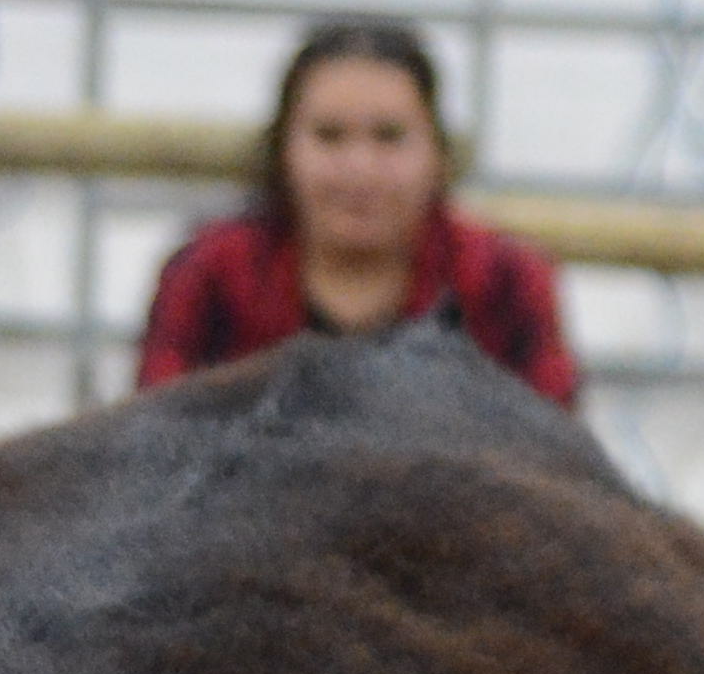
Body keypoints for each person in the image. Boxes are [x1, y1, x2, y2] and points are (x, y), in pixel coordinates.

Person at [135, 21, 573, 401]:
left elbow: (556, 468)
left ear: (438, 153)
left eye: (389, 136)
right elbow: (152, 451)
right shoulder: (209, 276)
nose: (360, 169)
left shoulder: (506, 282)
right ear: (283, 150)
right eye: (329, 136)